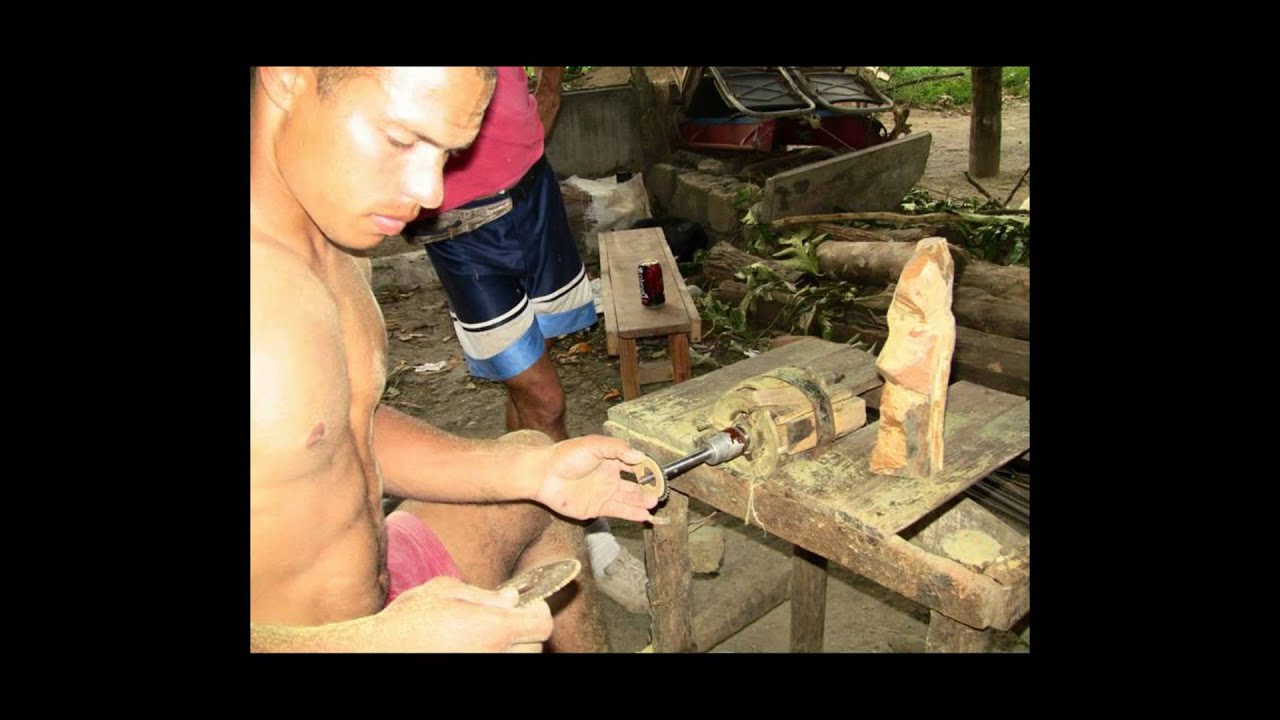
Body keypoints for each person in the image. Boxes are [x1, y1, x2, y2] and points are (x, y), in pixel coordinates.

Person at [249, 66, 658, 652]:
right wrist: (377, 644)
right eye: (400, 139)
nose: (431, 195)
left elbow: (335, 428)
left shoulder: (329, 232)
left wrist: (532, 475)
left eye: (446, 153)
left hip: (385, 602)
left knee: (531, 466)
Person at [400, 66, 649, 613]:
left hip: (534, 196)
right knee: (545, 397)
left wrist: (549, 88)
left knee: (533, 374)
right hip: (461, 229)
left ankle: (526, 510)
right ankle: (595, 537)